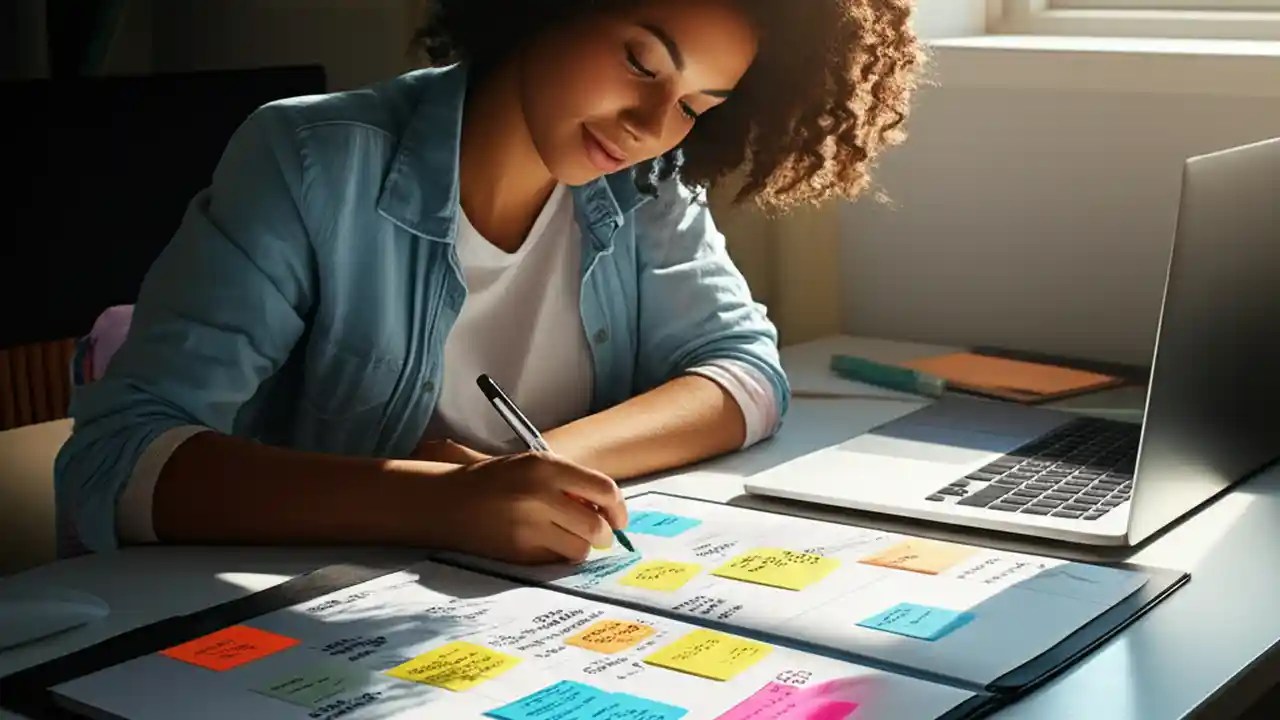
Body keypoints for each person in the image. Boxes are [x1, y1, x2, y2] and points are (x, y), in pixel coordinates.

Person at [55, 0, 924, 565]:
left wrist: (536, 470)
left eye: (698, 105)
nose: (654, 126)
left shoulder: (647, 182)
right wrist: (436, 502)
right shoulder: (309, 161)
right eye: (640, 61)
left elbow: (743, 372)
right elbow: (112, 462)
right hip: (299, 612)